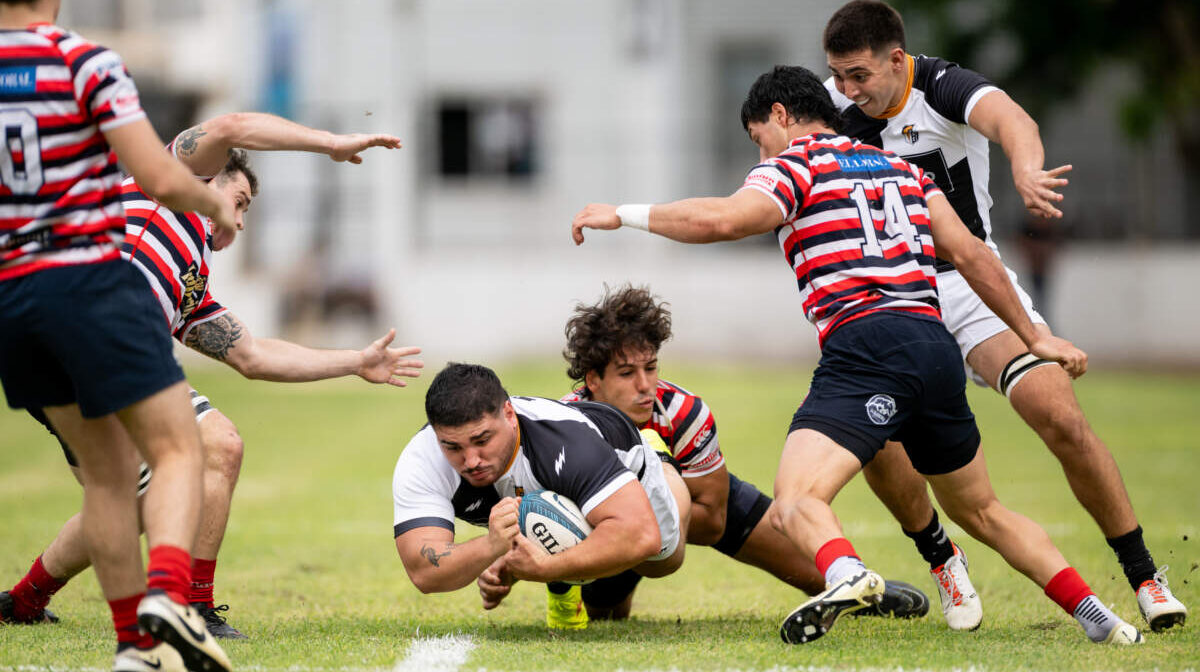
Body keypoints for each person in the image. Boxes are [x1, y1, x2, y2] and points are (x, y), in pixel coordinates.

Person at [570, 64, 1143, 646]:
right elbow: (972, 254)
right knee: (984, 510)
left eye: (757, 139)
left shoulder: (796, 164)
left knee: (797, 500)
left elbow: (723, 219)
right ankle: (1096, 611)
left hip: (868, 345)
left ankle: (846, 573)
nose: (759, 154)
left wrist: (624, 215)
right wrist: (1034, 335)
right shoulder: (900, 167)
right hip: (933, 342)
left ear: (779, 117)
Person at [821, 0, 1186, 632]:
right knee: (873, 442)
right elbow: (778, 145)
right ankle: (942, 556)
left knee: (1060, 415)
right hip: (887, 297)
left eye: (859, 75)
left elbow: (1012, 118)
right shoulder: (834, 106)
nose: (848, 91)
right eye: (840, 77)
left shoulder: (940, 85)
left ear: (897, 60)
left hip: (970, 285)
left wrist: (1025, 170)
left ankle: (1145, 575)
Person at [0, 112, 422, 640]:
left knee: (126, 502)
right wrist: (330, 144)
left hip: (58, 350)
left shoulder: (189, 284)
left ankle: (23, 600)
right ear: (210, 177)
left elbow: (254, 356)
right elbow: (231, 126)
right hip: (84, 324)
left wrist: (356, 362)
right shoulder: (170, 180)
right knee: (216, 445)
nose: (241, 221)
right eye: (240, 201)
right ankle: (187, 608)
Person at [0, 1, 237, 670]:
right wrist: (216, 202)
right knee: (179, 451)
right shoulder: (84, 61)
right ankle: (169, 602)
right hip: (89, 283)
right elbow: (158, 174)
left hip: (13, 295)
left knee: (106, 481)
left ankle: (136, 646)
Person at [559, 283, 934, 623]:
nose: (645, 386)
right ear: (593, 379)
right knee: (605, 616)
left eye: (651, 367)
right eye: (626, 374)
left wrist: (662, 480)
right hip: (607, 525)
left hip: (698, 499)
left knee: (811, 568)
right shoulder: (564, 426)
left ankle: (858, 591)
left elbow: (713, 520)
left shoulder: (684, 413)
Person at [392, 363, 690, 630]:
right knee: (600, 594)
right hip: (560, 483)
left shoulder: (565, 442)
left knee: (662, 561)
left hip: (619, 451)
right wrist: (491, 547)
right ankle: (564, 584)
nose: (471, 460)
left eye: (482, 440)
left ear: (509, 415)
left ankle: (659, 459)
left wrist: (546, 568)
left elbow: (641, 535)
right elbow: (423, 572)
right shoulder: (422, 460)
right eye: (453, 447)